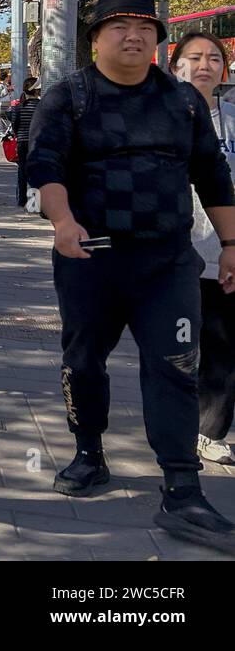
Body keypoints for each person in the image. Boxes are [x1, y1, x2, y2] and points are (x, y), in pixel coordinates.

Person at [27, 0, 235, 553]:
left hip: (167, 263)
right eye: (119, 26)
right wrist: (62, 223)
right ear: (95, 38)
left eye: (146, 28)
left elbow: (213, 176)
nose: (134, 35)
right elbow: (45, 168)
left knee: (175, 366)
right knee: (84, 362)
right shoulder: (68, 97)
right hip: (89, 257)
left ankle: (182, 488)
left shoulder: (184, 102)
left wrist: (231, 242)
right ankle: (89, 452)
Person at [170, 32, 235, 467]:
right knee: (174, 344)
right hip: (172, 249)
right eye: (194, 57)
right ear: (175, 66)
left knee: (222, 344)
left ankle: (209, 430)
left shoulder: (233, 117)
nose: (205, 65)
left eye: (215, 58)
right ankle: (172, 422)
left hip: (224, 251)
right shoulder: (158, 114)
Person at [9, 76, 40, 209]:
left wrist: (19, 134)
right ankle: (34, 203)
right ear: (36, 91)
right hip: (37, 142)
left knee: (22, 170)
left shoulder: (18, 108)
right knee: (37, 172)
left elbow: (14, 125)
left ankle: (22, 200)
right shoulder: (42, 106)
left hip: (22, 141)